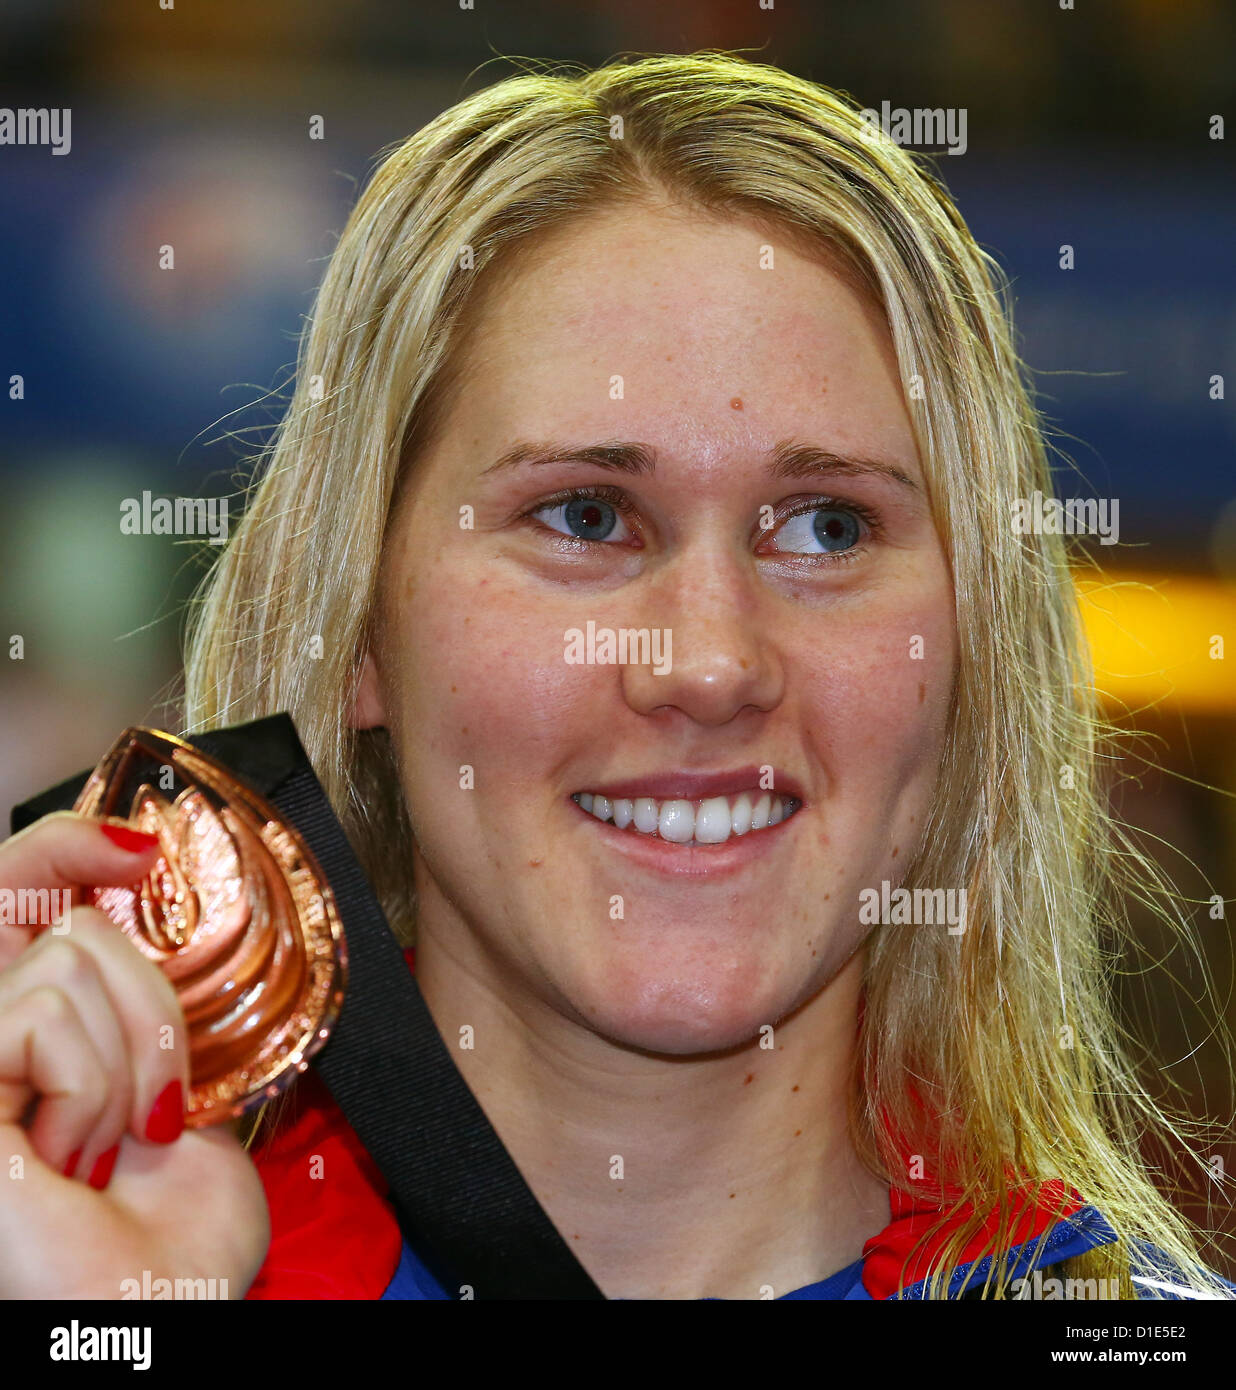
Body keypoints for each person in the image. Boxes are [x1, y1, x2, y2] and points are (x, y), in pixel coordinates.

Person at [1, 51, 1231, 1301]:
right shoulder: (120, 1286)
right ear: (361, 628)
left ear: (972, 649)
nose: (708, 664)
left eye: (827, 529)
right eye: (587, 517)